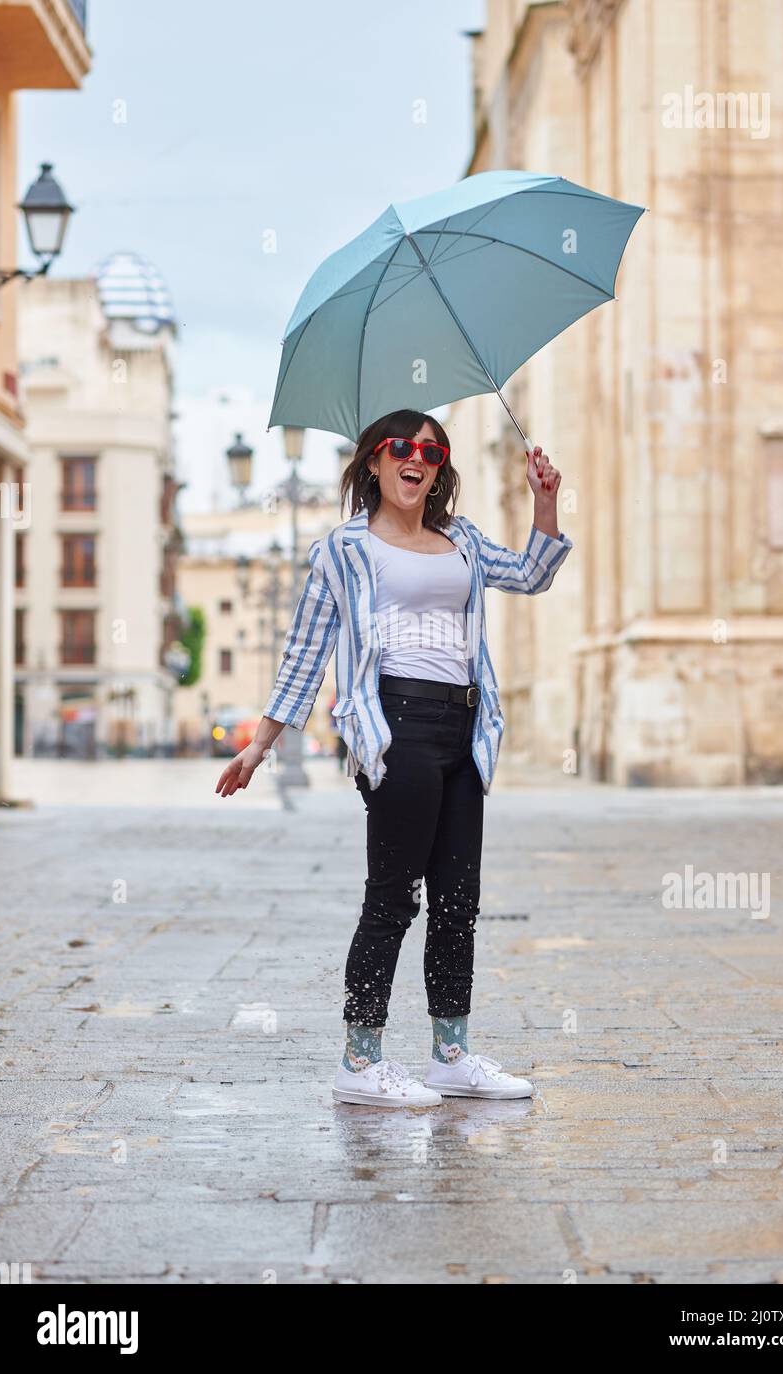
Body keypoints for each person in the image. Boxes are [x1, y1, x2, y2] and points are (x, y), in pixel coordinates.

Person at [216, 408, 572, 1108]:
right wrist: (262, 742)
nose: (418, 460)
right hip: (394, 723)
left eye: (433, 452)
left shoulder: (460, 538)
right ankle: (360, 1059)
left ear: (440, 468)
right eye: (402, 448)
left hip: (465, 728)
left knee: (458, 901)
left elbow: (532, 574)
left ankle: (450, 1053)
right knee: (391, 900)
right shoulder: (343, 549)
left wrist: (544, 498)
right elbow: (306, 648)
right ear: (373, 463)